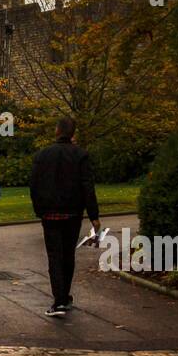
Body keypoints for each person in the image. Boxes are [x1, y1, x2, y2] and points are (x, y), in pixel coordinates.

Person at [29, 117, 101, 317]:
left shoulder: (42, 155)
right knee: (68, 254)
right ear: (72, 133)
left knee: (55, 256)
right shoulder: (80, 155)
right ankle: (64, 296)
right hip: (72, 212)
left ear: (56, 131)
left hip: (50, 213)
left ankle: (59, 299)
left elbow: (34, 185)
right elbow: (87, 185)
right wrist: (94, 215)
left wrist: (39, 209)